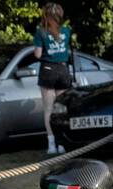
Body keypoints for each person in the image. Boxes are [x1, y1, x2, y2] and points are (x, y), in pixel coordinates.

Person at [33, 3, 74, 154]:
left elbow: (37, 54)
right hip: (63, 69)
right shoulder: (67, 31)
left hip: (48, 70)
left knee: (48, 110)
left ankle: (51, 145)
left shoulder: (41, 32)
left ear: (46, 16)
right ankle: (62, 143)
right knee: (62, 110)